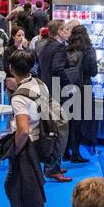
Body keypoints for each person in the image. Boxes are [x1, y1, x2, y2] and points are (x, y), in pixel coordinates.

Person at [2, 50, 50, 207]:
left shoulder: (19, 97)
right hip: (40, 142)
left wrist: (13, 149)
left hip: (25, 146)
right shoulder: (40, 84)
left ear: (12, 69)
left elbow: (22, 129)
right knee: (20, 190)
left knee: (23, 194)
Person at [35, 20, 72, 180]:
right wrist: (68, 84)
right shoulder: (59, 47)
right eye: (65, 29)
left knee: (50, 128)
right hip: (54, 93)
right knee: (60, 128)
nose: (68, 32)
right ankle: (53, 166)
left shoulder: (43, 45)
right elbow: (58, 68)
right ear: (59, 32)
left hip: (44, 90)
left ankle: (51, 165)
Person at [65, 23, 98, 162]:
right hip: (84, 87)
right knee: (80, 122)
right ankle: (76, 152)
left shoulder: (67, 50)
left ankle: (65, 151)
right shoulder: (89, 51)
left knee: (68, 120)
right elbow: (93, 71)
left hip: (67, 89)